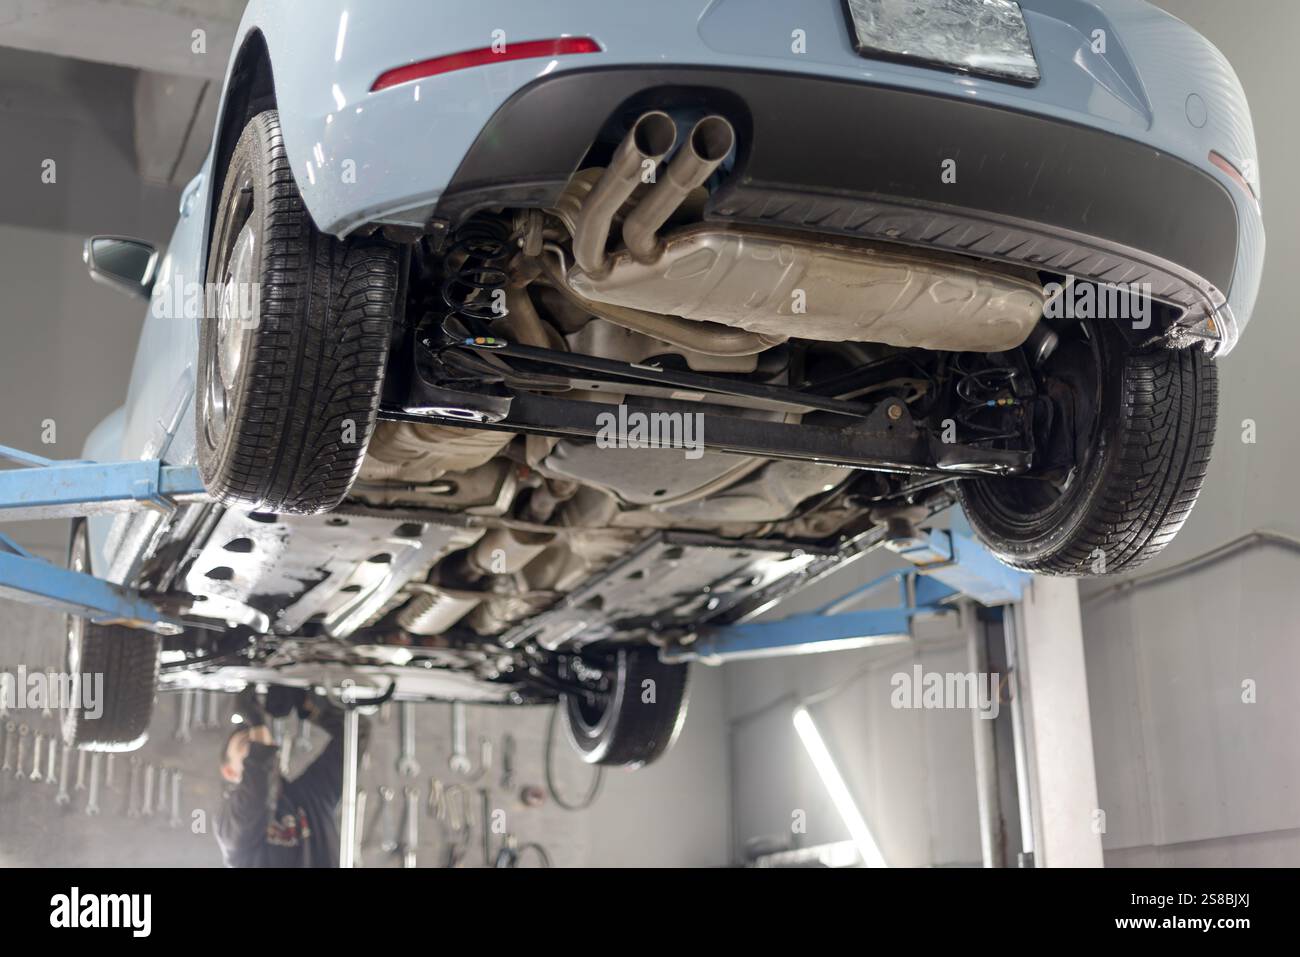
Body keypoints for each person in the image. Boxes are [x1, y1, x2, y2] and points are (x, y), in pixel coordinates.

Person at [215, 688, 369, 867]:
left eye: (258, 739)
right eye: (246, 743)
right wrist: (256, 724)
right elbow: (256, 784)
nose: (259, 742)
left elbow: (355, 733)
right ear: (229, 772)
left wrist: (309, 706)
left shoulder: (312, 797)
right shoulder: (231, 822)